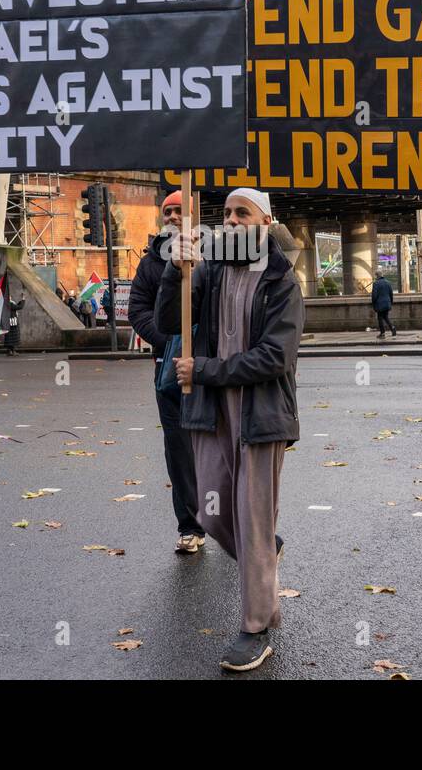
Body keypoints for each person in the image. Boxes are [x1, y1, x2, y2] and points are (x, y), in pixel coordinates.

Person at [155, 188, 304, 673]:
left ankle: (256, 627)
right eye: (227, 214)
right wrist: (176, 271)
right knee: (211, 512)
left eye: (244, 213)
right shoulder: (211, 269)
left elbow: (275, 357)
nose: (233, 221)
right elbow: (165, 322)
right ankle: (262, 555)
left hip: (260, 419)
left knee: (252, 520)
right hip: (212, 415)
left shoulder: (282, 278)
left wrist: (205, 371)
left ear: (265, 221)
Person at [130, 189, 205, 554]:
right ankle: (190, 526)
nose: (174, 216)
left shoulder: (218, 255)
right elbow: (137, 310)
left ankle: (225, 519)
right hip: (167, 369)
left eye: (181, 210)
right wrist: (171, 339)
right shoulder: (150, 262)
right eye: (168, 211)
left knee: (216, 447)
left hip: (209, 370)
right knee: (179, 449)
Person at [370, 270, 396, 339]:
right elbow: (391, 294)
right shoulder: (388, 283)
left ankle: (382, 333)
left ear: (377, 276)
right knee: (385, 317)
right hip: (387, 303)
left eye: (375, 276)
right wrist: (390, 302)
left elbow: (374, 295)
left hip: (379, 304)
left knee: (380, 318)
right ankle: (392, 328)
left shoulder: (376, 284)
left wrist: (373, 303)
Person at [2, 289, 25, 356]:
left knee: (9, 336)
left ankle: (9, 351)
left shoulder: (6, 303)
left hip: (7, 322)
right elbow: (19, 307)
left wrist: (21, 300)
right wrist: (23, 299)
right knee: (14, 336)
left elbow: (16, 306)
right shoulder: (10, 303)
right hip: (13, 322)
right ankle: (13, 351)